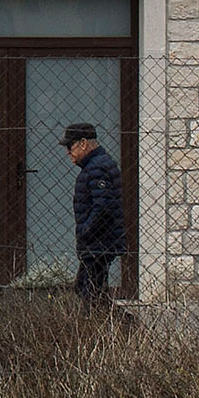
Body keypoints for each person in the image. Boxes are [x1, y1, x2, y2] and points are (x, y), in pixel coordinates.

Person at [66, 123, 125, 307]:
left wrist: (85, 231)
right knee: (91, 292)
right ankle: (113, 322)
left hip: (98, 244)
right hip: (98, 243)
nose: (69, 153)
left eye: (70, 147)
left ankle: (124, 323)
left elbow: (103, 207)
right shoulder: (96, 165)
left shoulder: (96, 168)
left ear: (83, 143)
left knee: (90, 294)